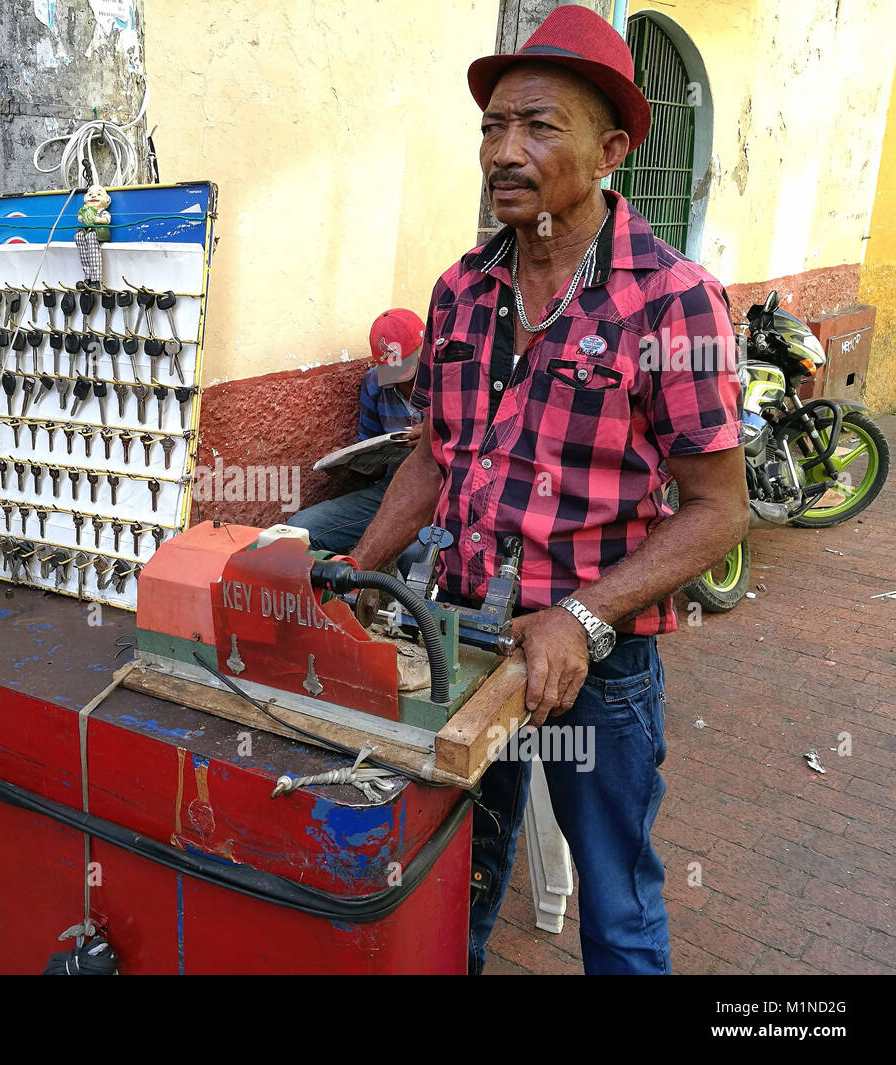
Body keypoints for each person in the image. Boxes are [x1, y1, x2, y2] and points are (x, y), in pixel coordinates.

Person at [349, 5, 748, 974]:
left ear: (609, 149)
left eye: (538, 127)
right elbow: (437, 453)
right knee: (461, 877)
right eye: (492, 126)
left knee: (616, 903)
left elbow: (718, 507)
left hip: (594, 666)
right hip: (466, 644)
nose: (504, 150)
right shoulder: (462, 289)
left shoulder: (671, 299)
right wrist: (355, 570)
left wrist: (581, 615)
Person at [289, 308, 427, 564]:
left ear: (427, 348)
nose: (402, 383)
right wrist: (353, 465)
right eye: (393, 374)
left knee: (414, 556)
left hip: (445, 494)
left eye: (408, 371)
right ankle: (328, 601)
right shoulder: (375, 383)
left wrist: (433, 435)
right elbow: (372, 457)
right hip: (392, 492)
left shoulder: (452, 379)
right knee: (300, 530)